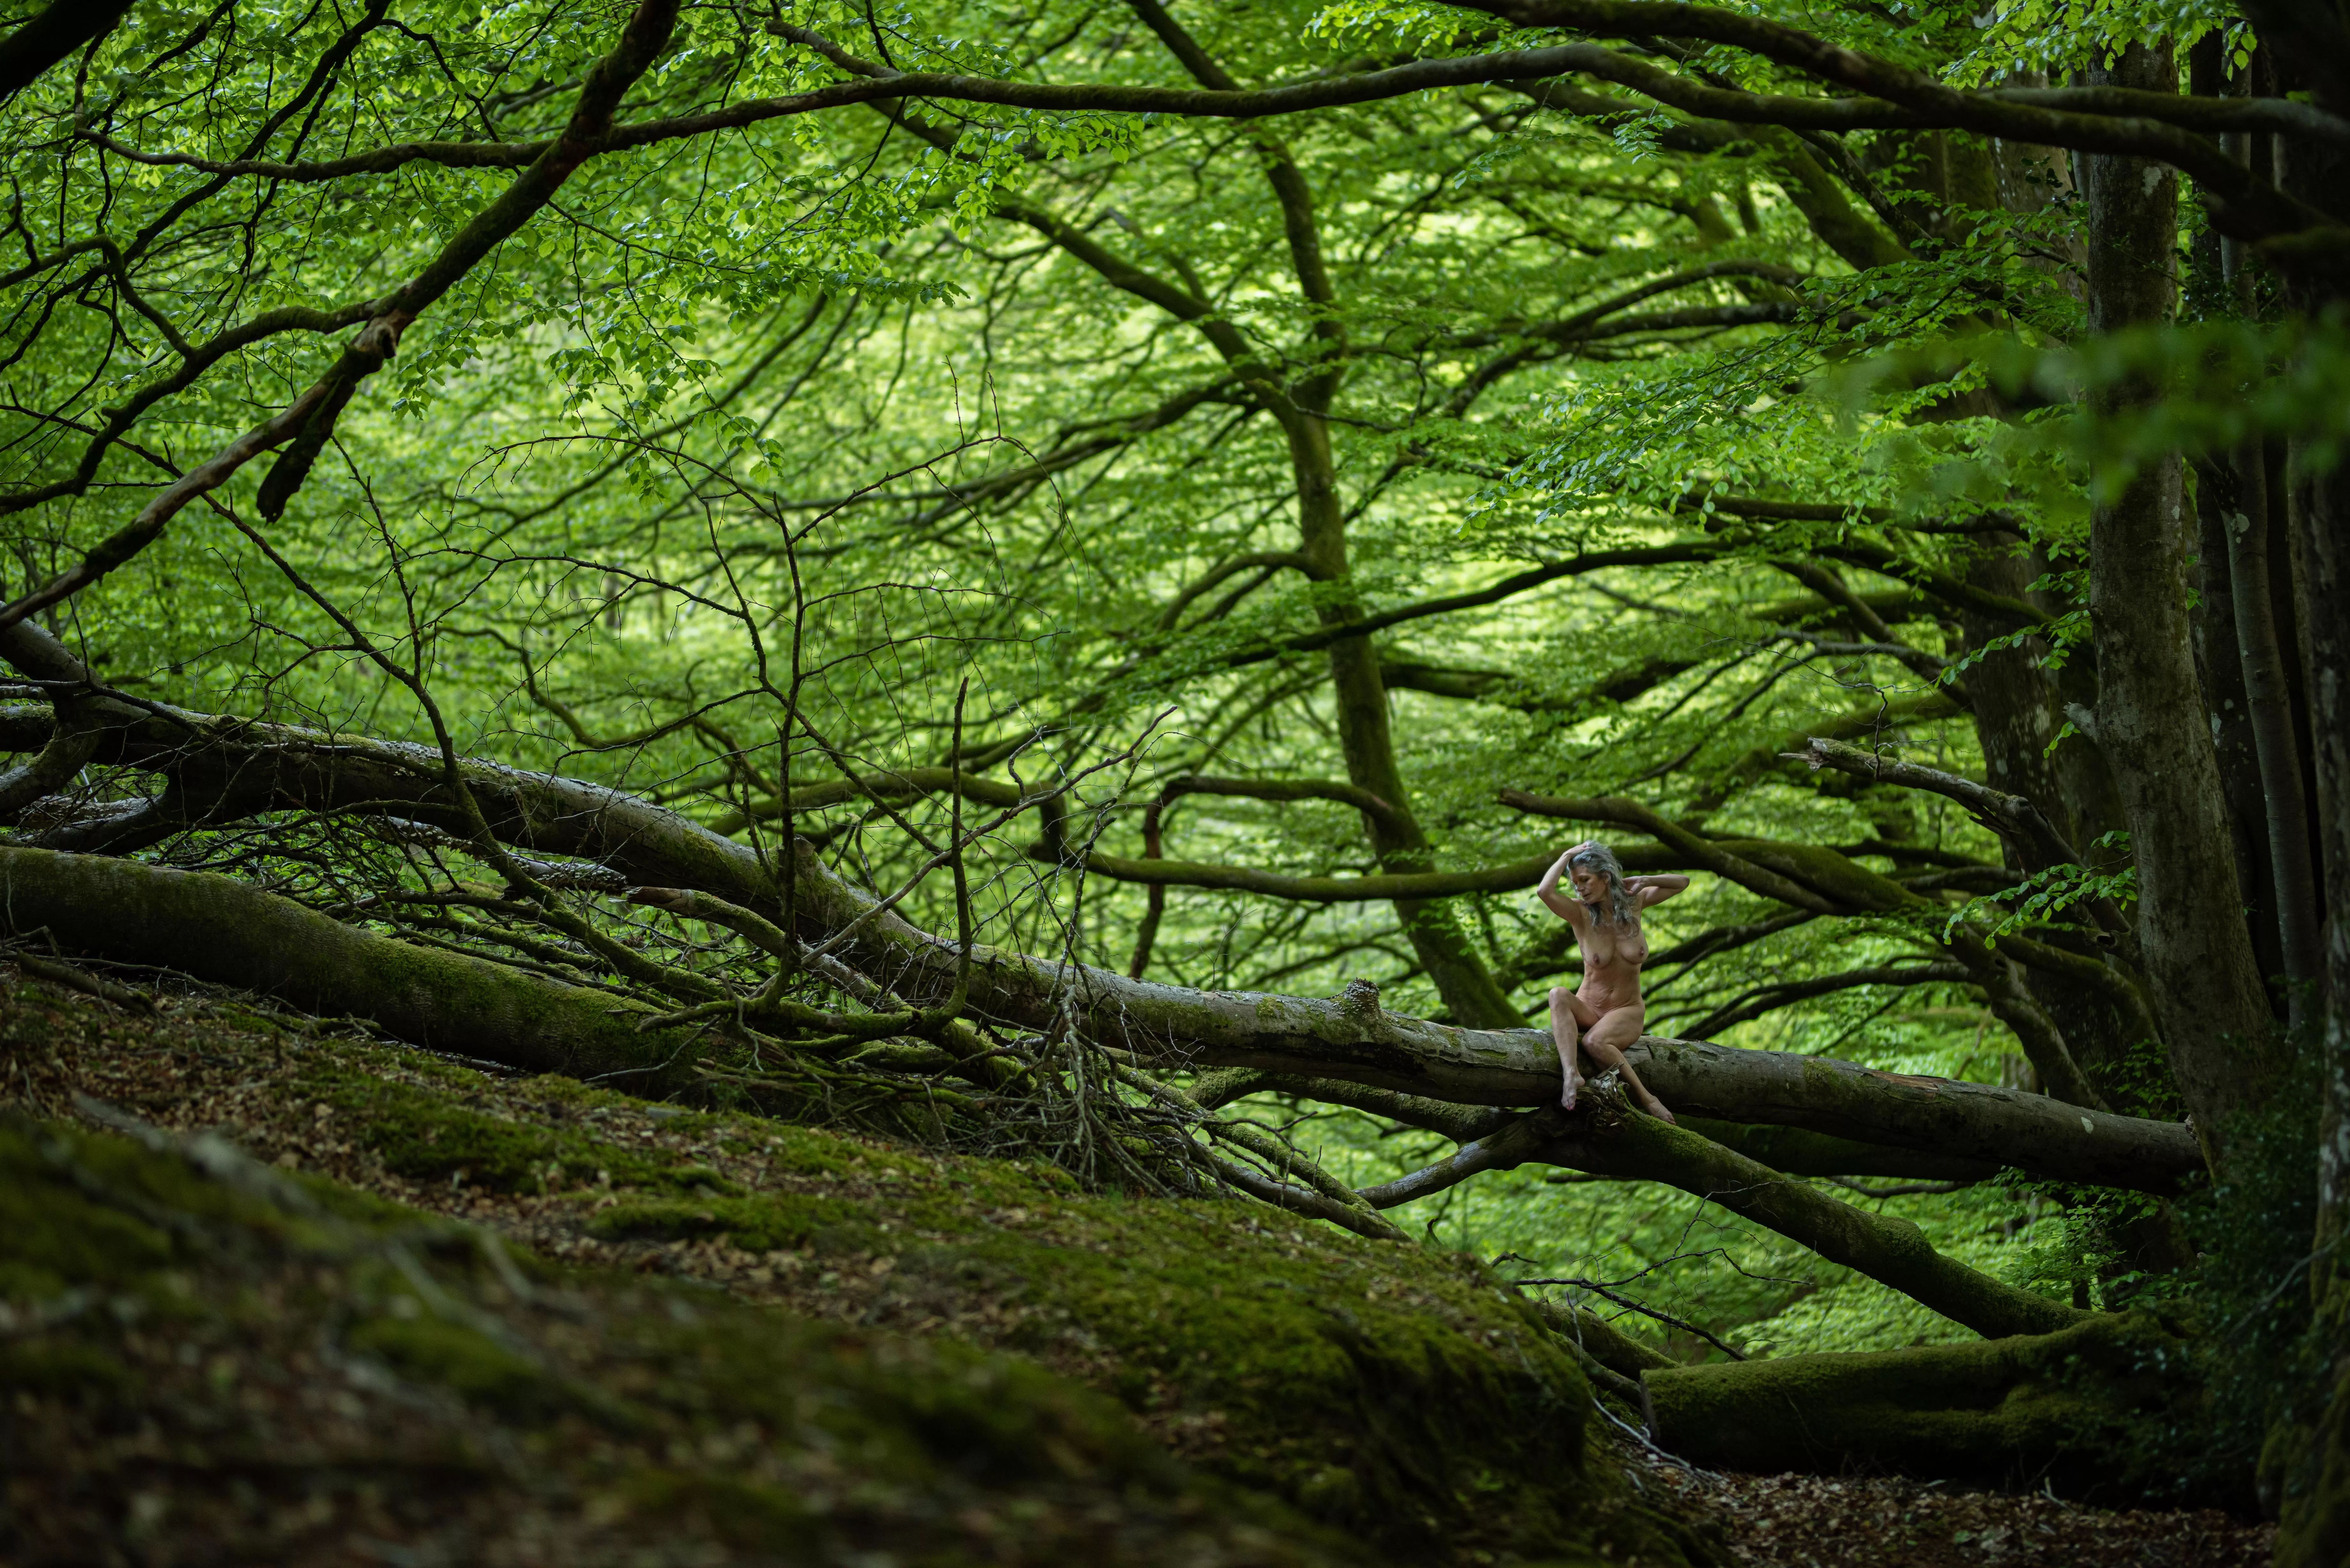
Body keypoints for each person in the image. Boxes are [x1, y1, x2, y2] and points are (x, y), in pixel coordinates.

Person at [1535, 841, 1688, 1121]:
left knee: (1595, 1042)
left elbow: (1683, 882)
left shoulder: (1635, 903)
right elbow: (1544, 891)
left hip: (1626, 1010)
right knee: (1557, 994)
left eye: (1585, 880)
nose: (1580, 888)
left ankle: (1649, 1100)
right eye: (1575, 883)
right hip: (1589, 1008)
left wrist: (1647, 880)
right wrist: (1568, 855)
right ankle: (1572, 1075)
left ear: (1605, 877)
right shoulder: (1579, 914)